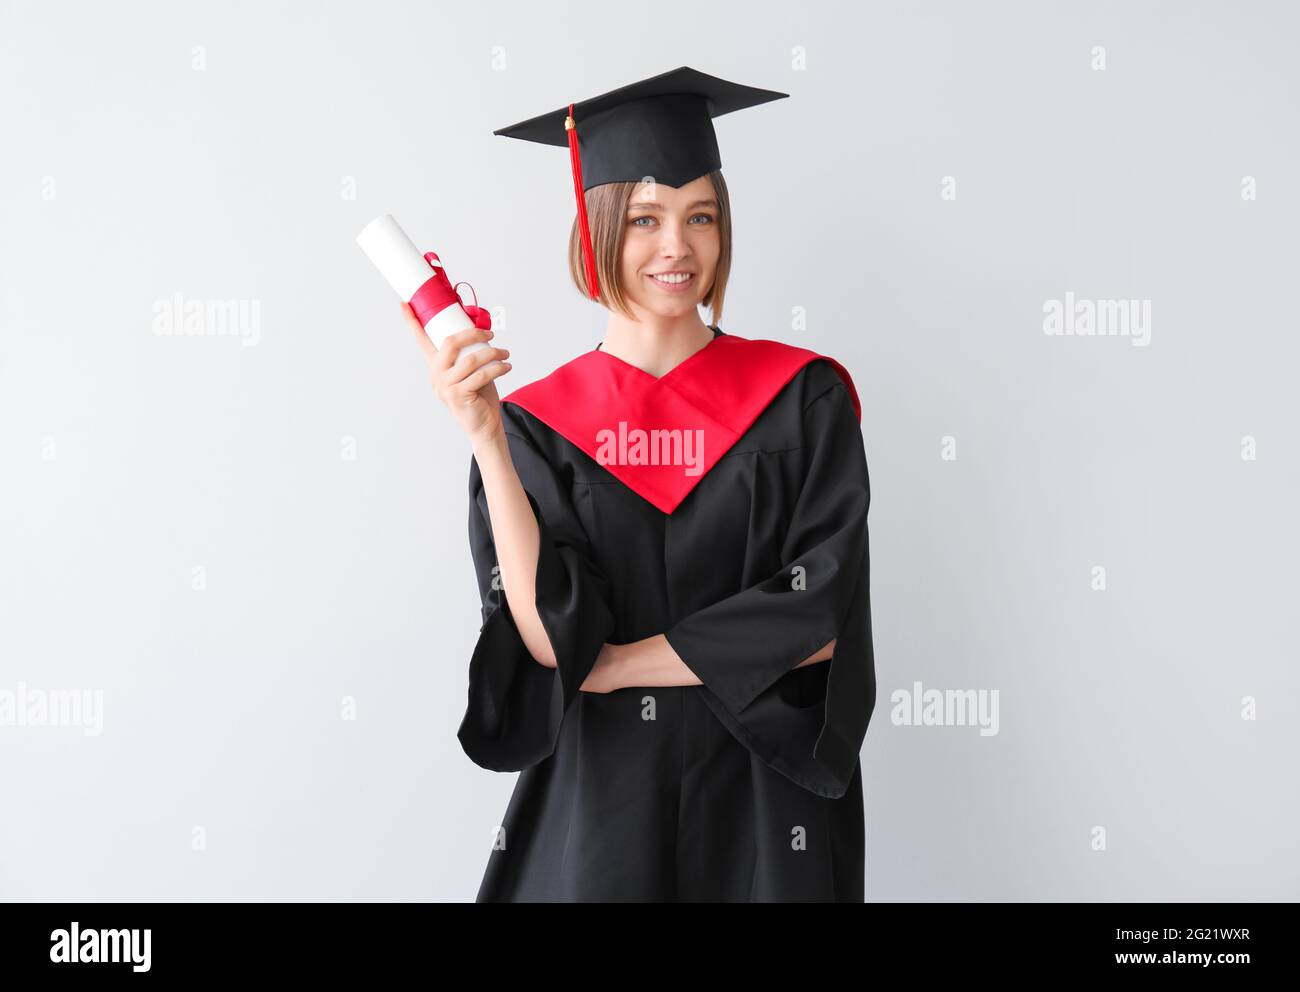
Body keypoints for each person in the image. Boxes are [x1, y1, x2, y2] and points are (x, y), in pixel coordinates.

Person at [404, 66, 876, 902]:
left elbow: (819, 623)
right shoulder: (536, 430)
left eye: (701, 216)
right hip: (601, 808)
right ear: (596, 232)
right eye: (646, 219)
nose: (677, 248)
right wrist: (486, 439)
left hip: (765, 805)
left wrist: (621, 667)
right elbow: (552, 642)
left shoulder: (804, 398)